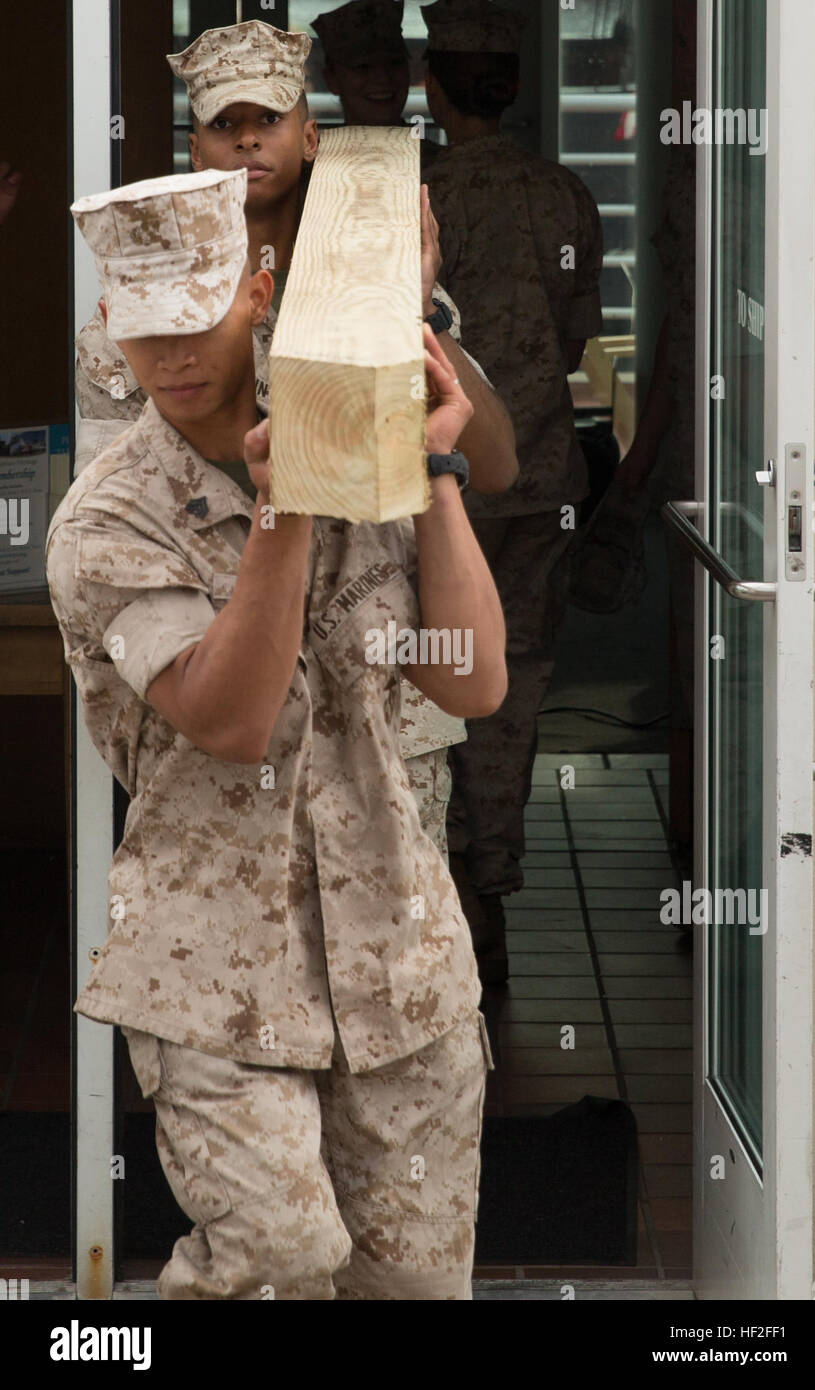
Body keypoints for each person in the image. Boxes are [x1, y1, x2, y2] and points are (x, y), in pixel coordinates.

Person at [47, 165, 506, 1299]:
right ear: (113, 323)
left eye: (200, 319)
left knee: (413, 1285)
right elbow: (233, 718)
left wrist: (436, 471)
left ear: (258, 290)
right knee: (280, 1263)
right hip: (217, 969)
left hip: (398, 955)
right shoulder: (106, 519)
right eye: (147, 331)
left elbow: (474, 682)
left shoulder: (351, 422)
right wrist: (283, 505)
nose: (177, 358)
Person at [72, 18, 518, 861]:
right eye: (222, 123)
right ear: (193, 145)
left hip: (380, 696)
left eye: (267, 119)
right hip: (222, 690)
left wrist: (408, 310)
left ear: (310, 136)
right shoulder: (137, 318)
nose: (246, 139)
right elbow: (114, 528)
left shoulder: (375, 281)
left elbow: (492, 463)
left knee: (392, 944)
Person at [420, 0, 604, 981]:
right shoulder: (565, 193)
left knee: (429, 681)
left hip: (436, 488)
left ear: (432, 84)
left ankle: (442, 895)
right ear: (517, 87)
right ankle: (491, 883)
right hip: (538, 483)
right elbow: (578, 337)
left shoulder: (415, 199)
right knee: (514, 686)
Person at [313, 0, 443, 173]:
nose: (382, 78)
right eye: (363, 66)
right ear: (332, 79)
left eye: (394, 63)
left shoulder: (440, 166)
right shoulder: (313, 167)